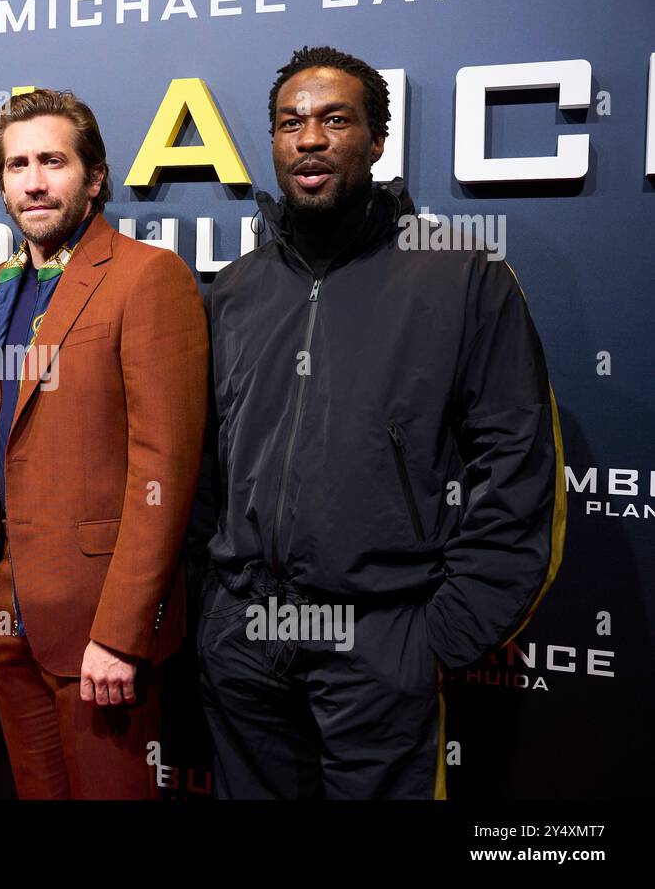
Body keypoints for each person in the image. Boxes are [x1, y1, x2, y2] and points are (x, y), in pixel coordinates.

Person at [193, 46, 565, 799]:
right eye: (290, 122)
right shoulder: (234, 290)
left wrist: (432, 641)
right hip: (246, 641)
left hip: (377, 642)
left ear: (377, 140)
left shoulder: (462, 275)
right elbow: (206, 466)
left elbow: (519, 467)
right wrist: (214, 612)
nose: (310, 139)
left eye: (336, 119)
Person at [0, 89, 208, 799]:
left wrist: (124, 633)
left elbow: (166, 469)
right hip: (9, 616)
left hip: (100, 628)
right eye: (17, 165)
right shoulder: (3, 286)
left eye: (53, 161)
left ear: (94, 177)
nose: (33, 181)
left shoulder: (147, 277)